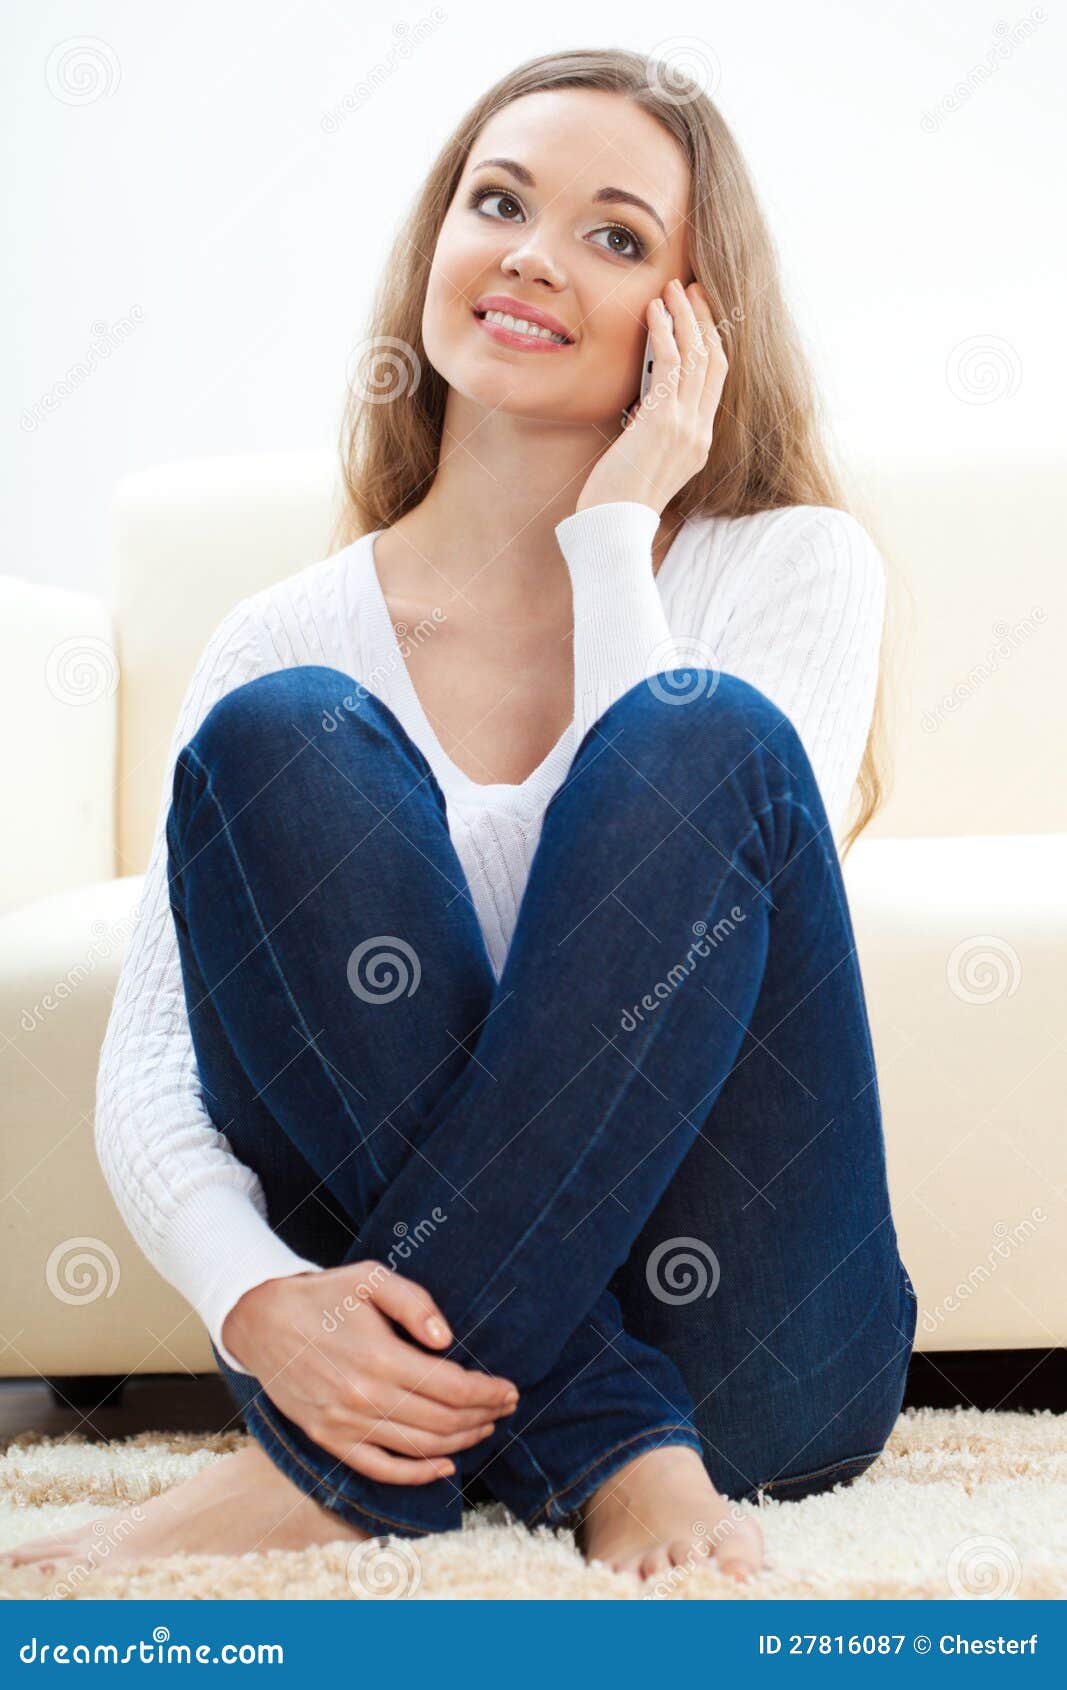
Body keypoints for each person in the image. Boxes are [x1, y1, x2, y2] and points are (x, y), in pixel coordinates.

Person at [6, 47, 914, 1587]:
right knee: (277, 734)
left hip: (749, 1349)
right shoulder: (281, 637)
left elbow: (679, 912)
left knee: (698, 731)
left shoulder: (793, 567)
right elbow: (152, 1066)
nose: (534, 256)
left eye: (615, 234)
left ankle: (322, 1482)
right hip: (402, 1360)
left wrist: (616, 533)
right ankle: (607, 1440)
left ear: (695, 323)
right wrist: (255, 1305)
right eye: (498, 202)